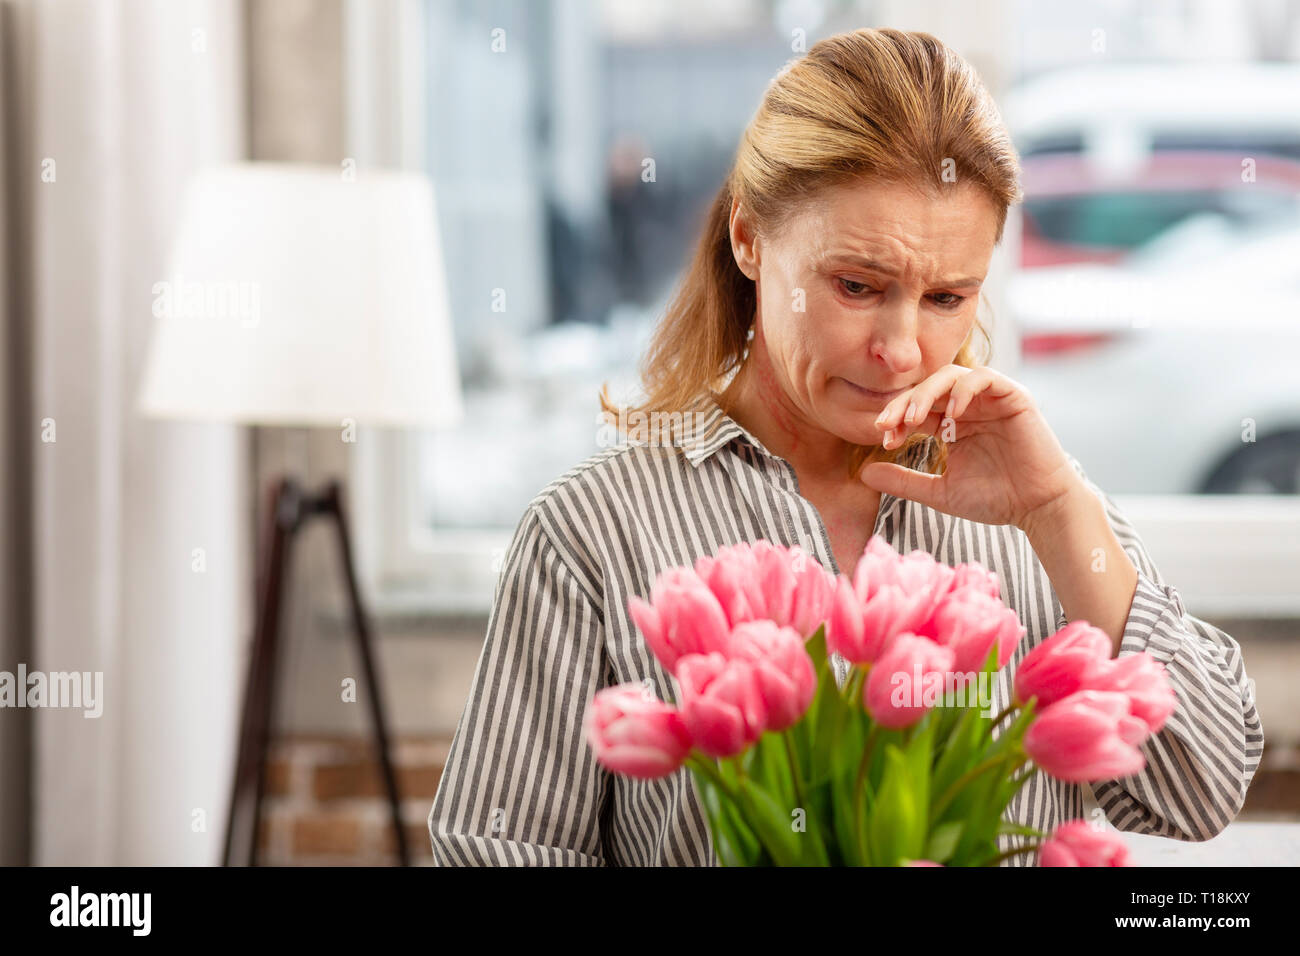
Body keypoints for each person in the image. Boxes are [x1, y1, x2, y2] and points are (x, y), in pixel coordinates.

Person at [427, 27, 1263, 866]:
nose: (900, 349)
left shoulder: (1043, 513)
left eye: (946, 297)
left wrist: (1057, 515)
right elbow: (498, 849)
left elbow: (1199, 792)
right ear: (749, 240)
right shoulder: (593, 534)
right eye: (857, 286)